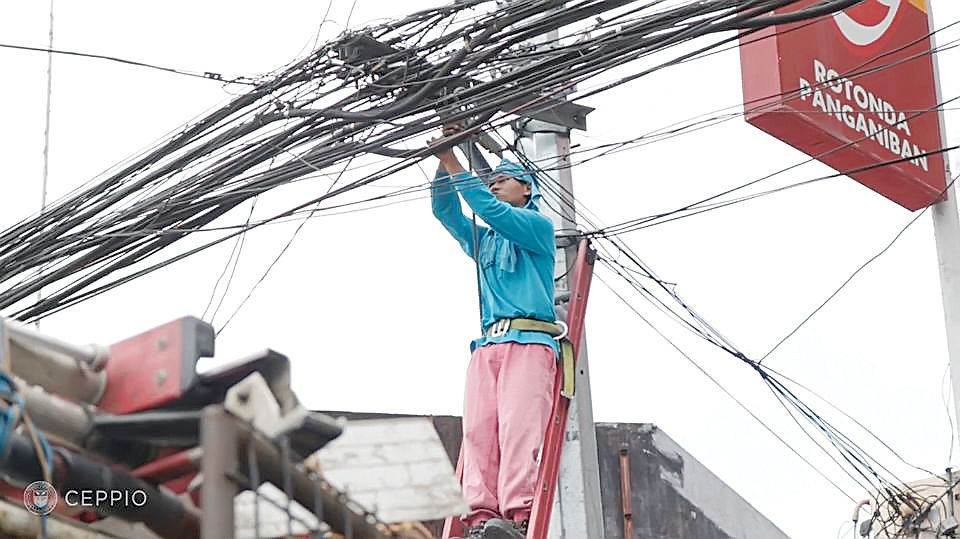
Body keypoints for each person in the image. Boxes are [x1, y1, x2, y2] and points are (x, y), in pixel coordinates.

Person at [430, 127, 561, 539]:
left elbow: (491, 211)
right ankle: (481, 518)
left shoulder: (537, 228)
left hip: (530, 342)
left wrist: (454, 161)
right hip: (487, 345)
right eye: (491, 179)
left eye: (503, 178)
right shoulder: (485, 243)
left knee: (519, 429)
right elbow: (446, 213)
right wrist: (442, 161)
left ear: (527, 189)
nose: (494, 183)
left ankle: (520, 516)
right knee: (478, 434)